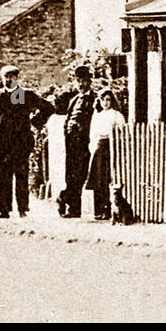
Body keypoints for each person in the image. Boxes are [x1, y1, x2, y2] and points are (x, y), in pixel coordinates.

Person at [0, 64, 54, 219]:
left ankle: (22, 209)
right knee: (4, 176)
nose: (9, 80)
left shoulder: (27, 94)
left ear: (17, 78)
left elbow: (48, 107)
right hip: (4, 142)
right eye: (6, 77)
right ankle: (4, 210)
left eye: (12, 77)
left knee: (22, 175)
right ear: (2, 78)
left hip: (22, 141)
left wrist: (36, 121)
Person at [60, 65, 96, 218]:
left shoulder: (95, 99)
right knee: (71, 176)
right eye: (78, 81)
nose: (81, 84)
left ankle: (64, 198)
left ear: (90, 81)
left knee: (82, 176)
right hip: (72, 145)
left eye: (84, 81)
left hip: (86, 144)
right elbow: (67, 120)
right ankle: (73, 209)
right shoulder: (74, 100)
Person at [87, 89, 126, 220]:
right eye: (103, 99)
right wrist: (93, 147)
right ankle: (98, 210)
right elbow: (92, 134)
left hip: (111, 146)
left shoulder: (116, 115)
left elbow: (122, 132)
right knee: (98, 179)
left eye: (108, 99)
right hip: (99, 147)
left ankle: (109, 210)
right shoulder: (97, 116)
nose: (105, 102)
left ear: (112, 101)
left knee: (108, 178)